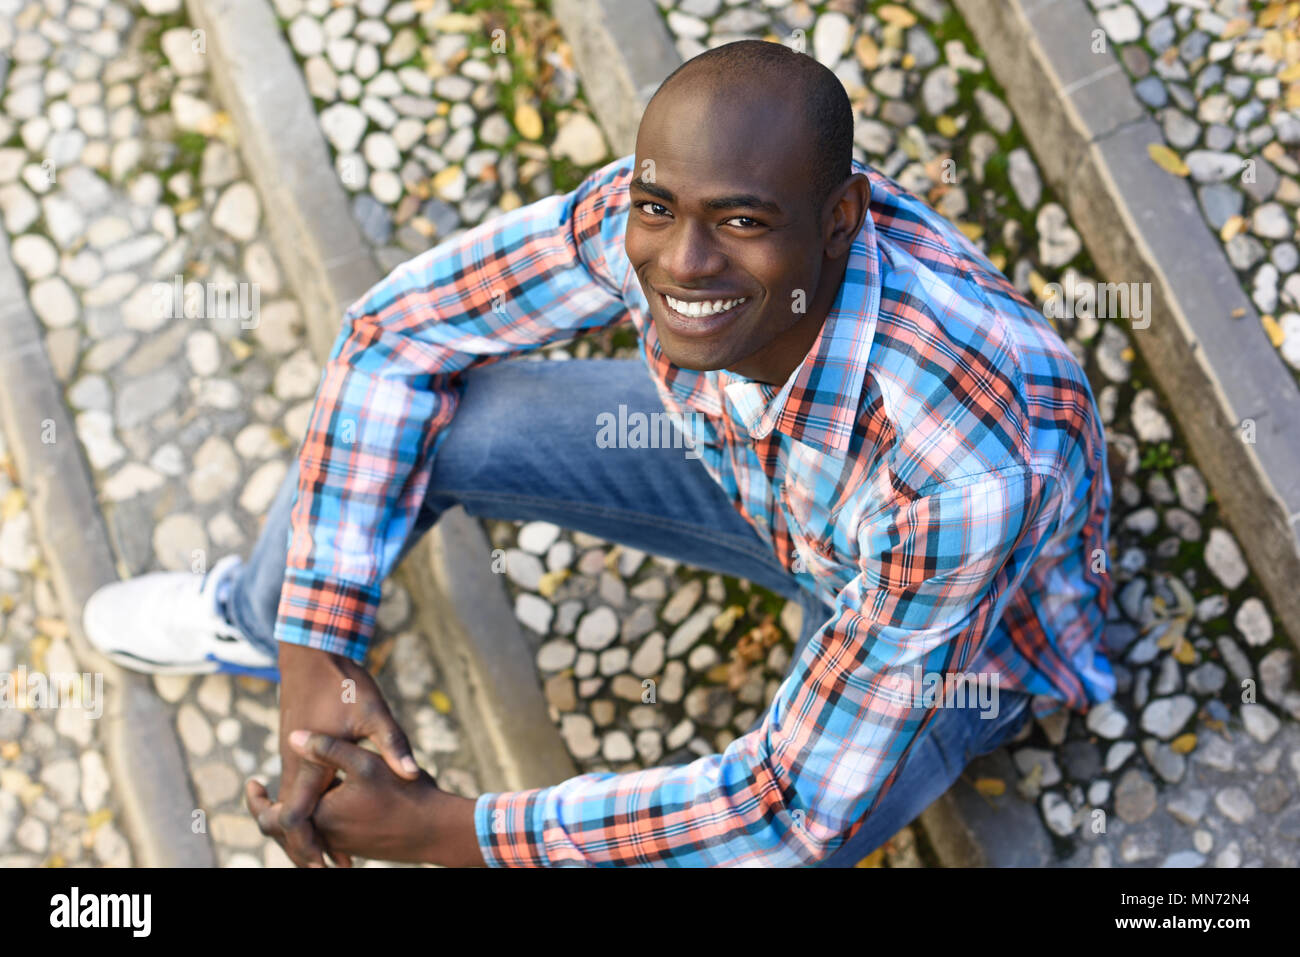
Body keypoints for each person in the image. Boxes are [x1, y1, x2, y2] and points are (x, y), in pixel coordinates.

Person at [82, 39, 1115, 868]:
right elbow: (394, 334)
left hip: (957, 638)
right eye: (658, 211)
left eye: (742, 223)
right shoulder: (662, 209)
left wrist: (455, 834)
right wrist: (319, 643)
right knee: (453, 416)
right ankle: (261, 624)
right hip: (767, 487)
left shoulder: (962, 467)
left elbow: (785, 811)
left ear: (839, 219)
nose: (684, 262)